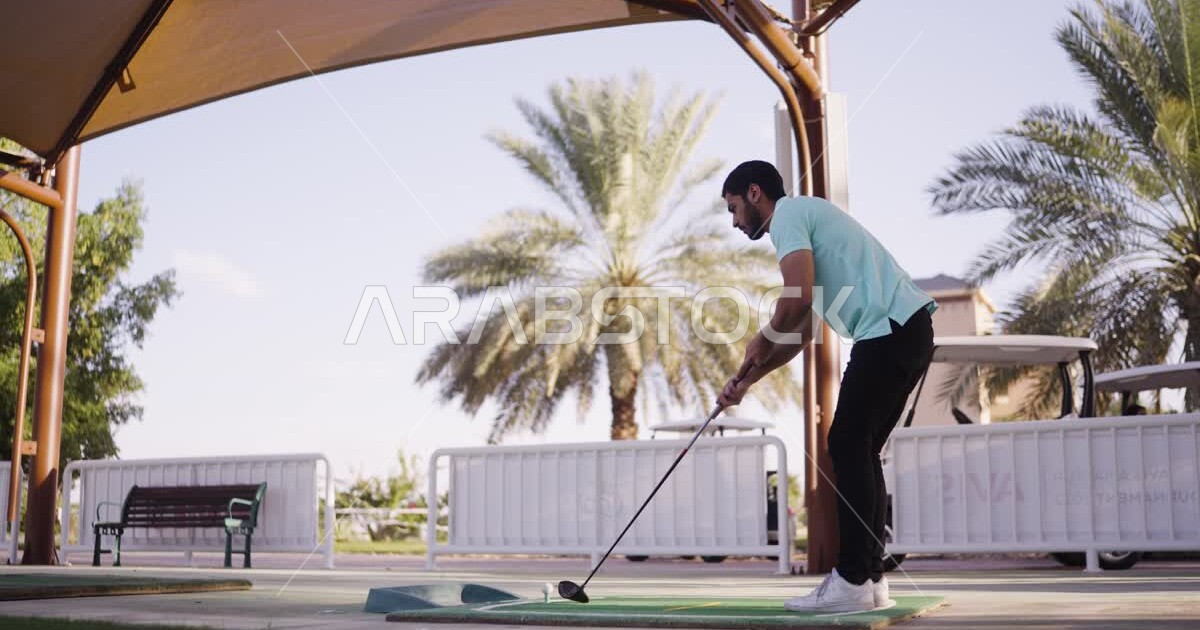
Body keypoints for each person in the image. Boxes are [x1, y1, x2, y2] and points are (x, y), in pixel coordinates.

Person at [715, 160, 936, 613]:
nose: (735, 221)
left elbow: (793, 301)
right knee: (860, 447)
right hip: (906, 330)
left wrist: (760, 335)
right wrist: (748, 380)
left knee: (847, 442)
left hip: (888, 330)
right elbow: (800, 331)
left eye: (734, 208)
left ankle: (853, 579)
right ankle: (870, 581)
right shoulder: (807, 223)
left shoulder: (790, 216)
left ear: (755, 193)